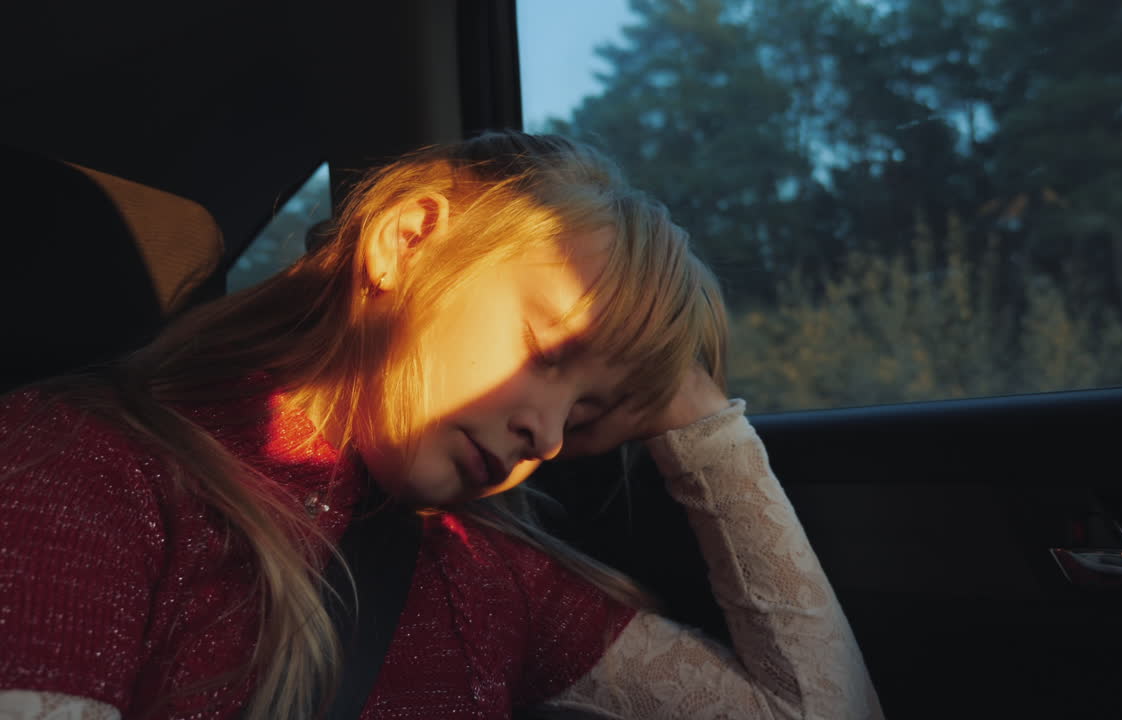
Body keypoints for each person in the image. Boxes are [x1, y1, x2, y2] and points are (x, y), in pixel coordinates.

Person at [0, 132, 883, 719]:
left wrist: (692, 410)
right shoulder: (81, 468)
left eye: (587, 416)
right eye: (547, 349)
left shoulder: (482, 570)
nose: (549, 437)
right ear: (407, 239)